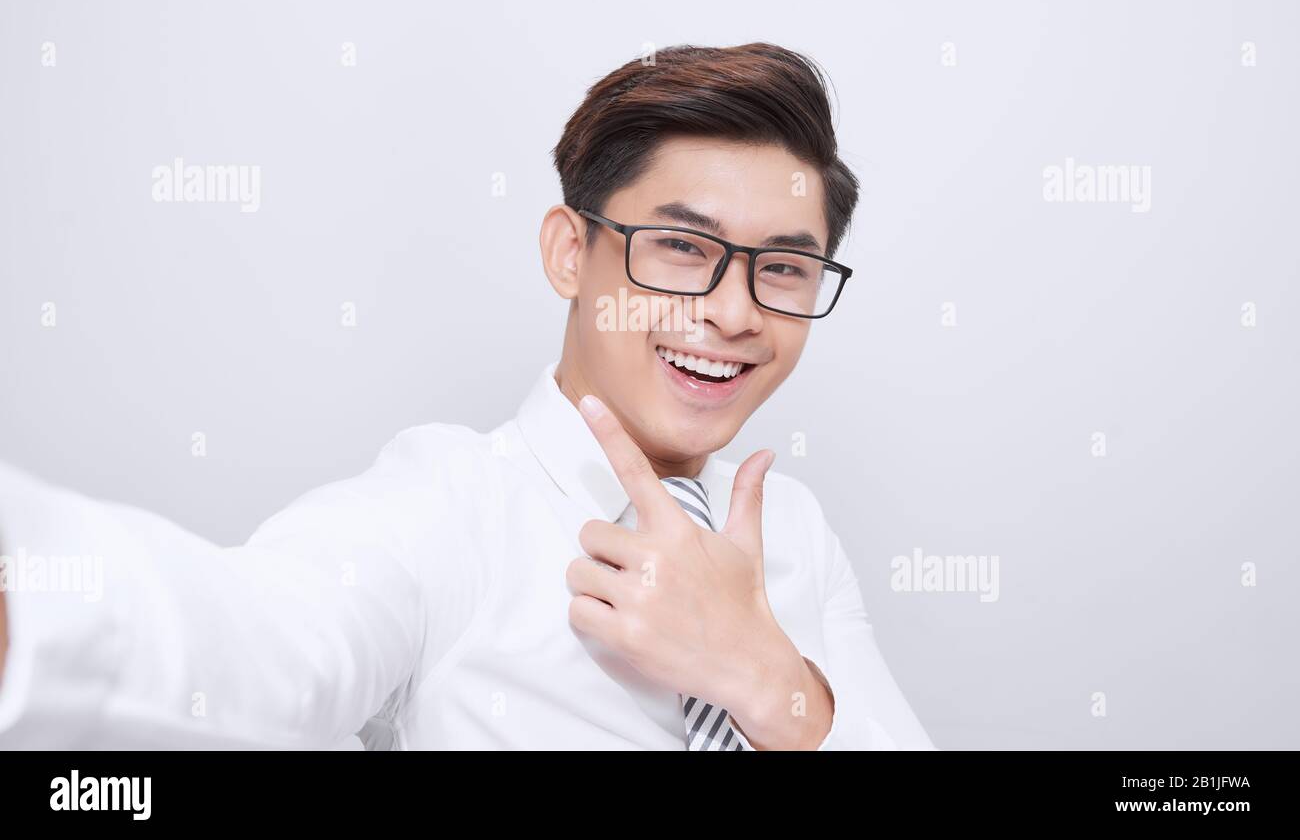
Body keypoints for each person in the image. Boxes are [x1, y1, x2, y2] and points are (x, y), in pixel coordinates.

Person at [0, 42, 933, 750]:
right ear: (573, 253)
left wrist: (761, 673)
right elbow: (256, 644)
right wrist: (32, 600)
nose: (734, 312)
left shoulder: (795, 530)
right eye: (683, 248)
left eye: (784, 267)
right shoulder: (449, 502)